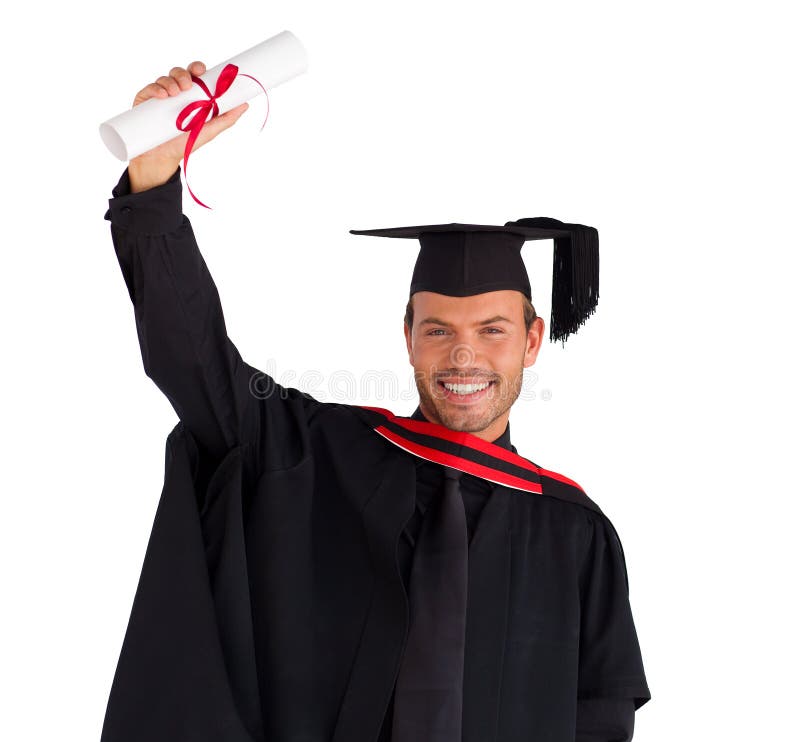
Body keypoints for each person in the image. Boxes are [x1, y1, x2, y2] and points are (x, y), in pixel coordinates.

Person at [100, 61, 651, 742]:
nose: (463, 356)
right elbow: (195, 361)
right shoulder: (312, 455)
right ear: (408, 337)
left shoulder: (578, 535)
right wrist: (154, 183)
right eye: (439, 330)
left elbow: (601, 722)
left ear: (533, 341)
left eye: (493, 331)